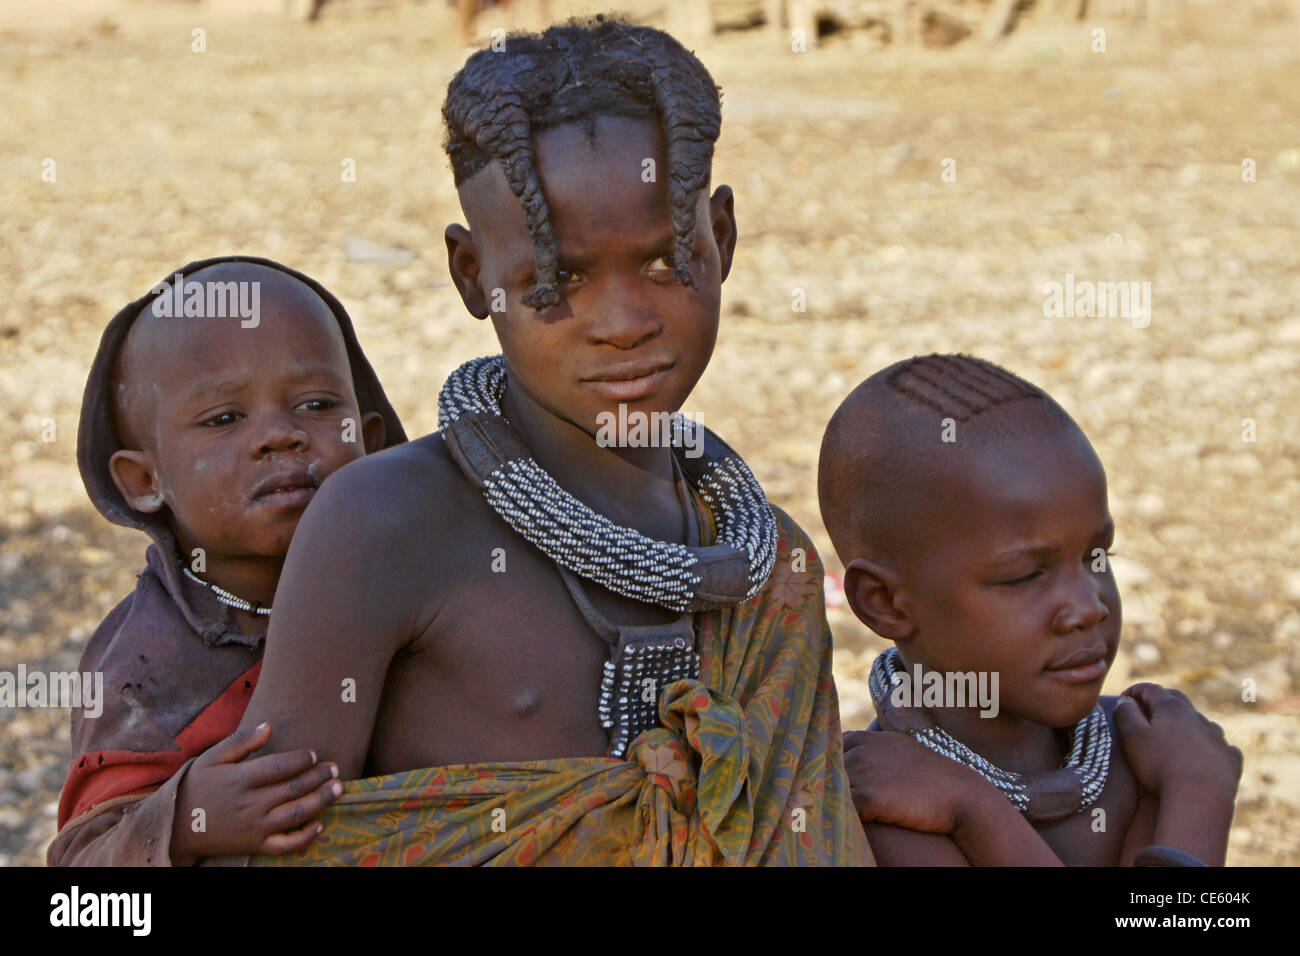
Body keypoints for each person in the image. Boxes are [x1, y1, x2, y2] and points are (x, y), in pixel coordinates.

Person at [232, 17, 871, 865]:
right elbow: (276, 847)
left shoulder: (764, 566)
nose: (623, 325)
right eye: (557, 279)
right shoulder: (386, 525)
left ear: (721, 238)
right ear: (472, 277)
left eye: (664, 263)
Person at [47, 256, 406, 866]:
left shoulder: (417, 579)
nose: (281, 435)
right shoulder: (144, 668)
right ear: (143, 479)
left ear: (369, 439)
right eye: (225, 419)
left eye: (317, 405)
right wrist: (185, 821)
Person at [819, 353, 1242, 865]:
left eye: (1096, 557)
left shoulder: (1144, 749)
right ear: (884, 603)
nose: (1088, 607)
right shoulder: (888, 804)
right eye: (1024, 576)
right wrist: (1200, 799)